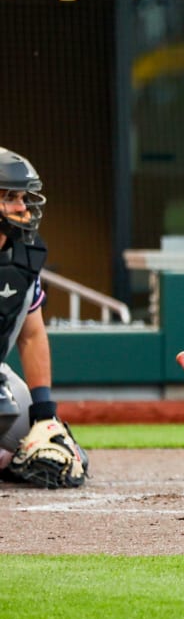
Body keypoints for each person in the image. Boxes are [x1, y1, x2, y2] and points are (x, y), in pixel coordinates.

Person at [0, 147, 87, 488]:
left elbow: (31, 335)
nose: (22, 207)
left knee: (59, 456)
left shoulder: (22, 257)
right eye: (10, 197)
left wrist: (44, 413)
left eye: (22, 197)